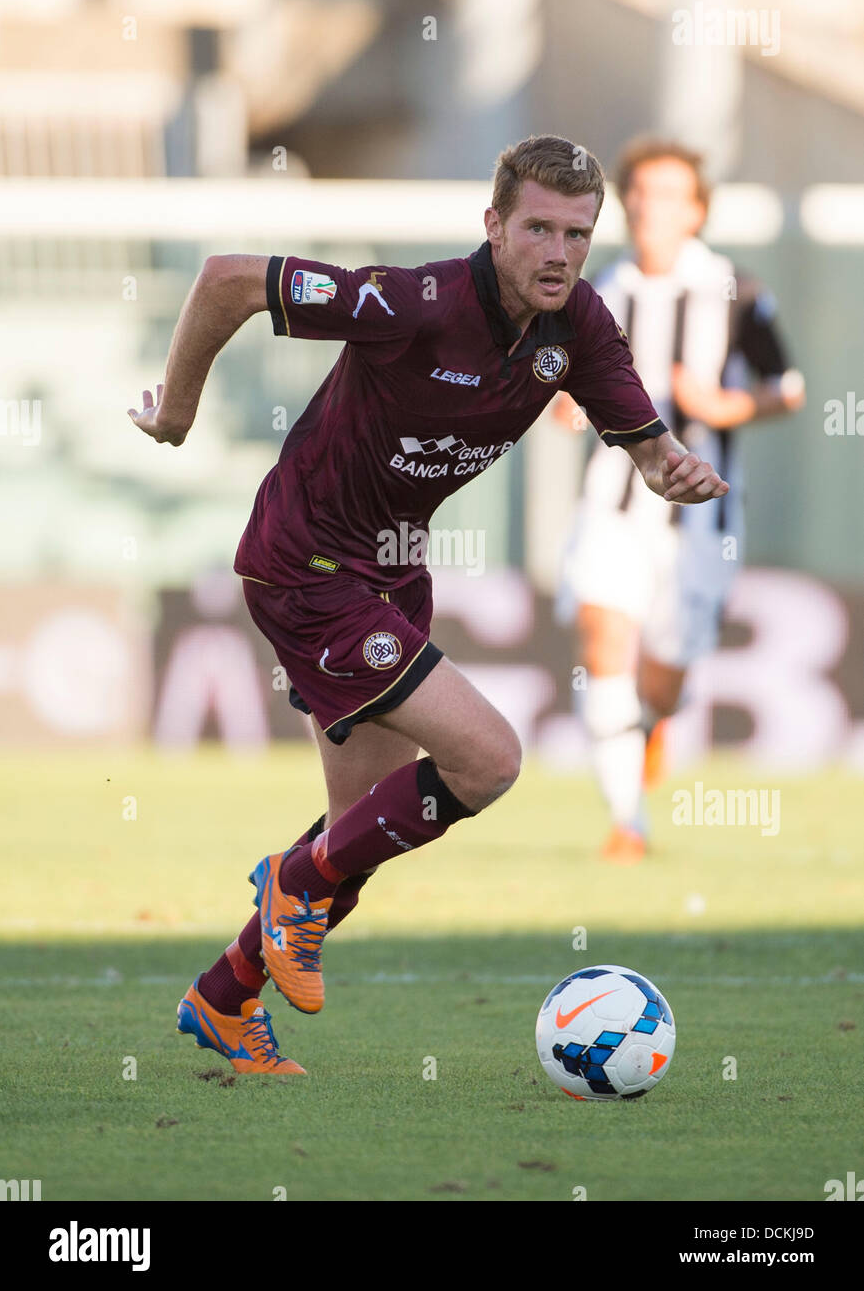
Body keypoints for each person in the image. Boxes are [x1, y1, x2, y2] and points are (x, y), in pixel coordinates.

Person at [129, 135, 728, 1075]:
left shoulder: (578, 328)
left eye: (576, 233)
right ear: (493, 227)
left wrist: (674, 471)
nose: (558, 252)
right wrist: (177, 412)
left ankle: (225, 994)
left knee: (359, 838)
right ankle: (289, 882)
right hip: (306, 566)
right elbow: (227, 278)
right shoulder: (413, 304)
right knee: (487, 761)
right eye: (537, 227)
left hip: (392, 575)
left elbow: (648, 449)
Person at [554, 137, 805, 864]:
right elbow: (556, 382)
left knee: (660, 678)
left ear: (695, 210)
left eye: (666, 195)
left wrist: (726, 407)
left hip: (701, 521)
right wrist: (562, 405)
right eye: (636, 193)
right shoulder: (594, 288)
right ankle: (627, 822)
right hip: (610, 505)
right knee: (603, 642)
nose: (646, 207)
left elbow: (786, 387)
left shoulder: (734, 289)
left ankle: (651, 726)